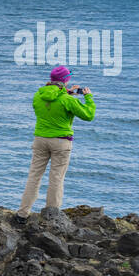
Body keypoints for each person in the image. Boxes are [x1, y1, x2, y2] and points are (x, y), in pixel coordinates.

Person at [17, 65, 95, 218]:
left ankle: (22, 214)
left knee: (34, 176)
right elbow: (88, 115)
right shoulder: (67, 100)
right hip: (61, 142)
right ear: (66, 80)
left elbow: (50, 102)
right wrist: (88, 97)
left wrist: (66, 92)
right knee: (56, 178)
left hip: (40, 140)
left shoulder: (38, 96)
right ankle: (51, 215)